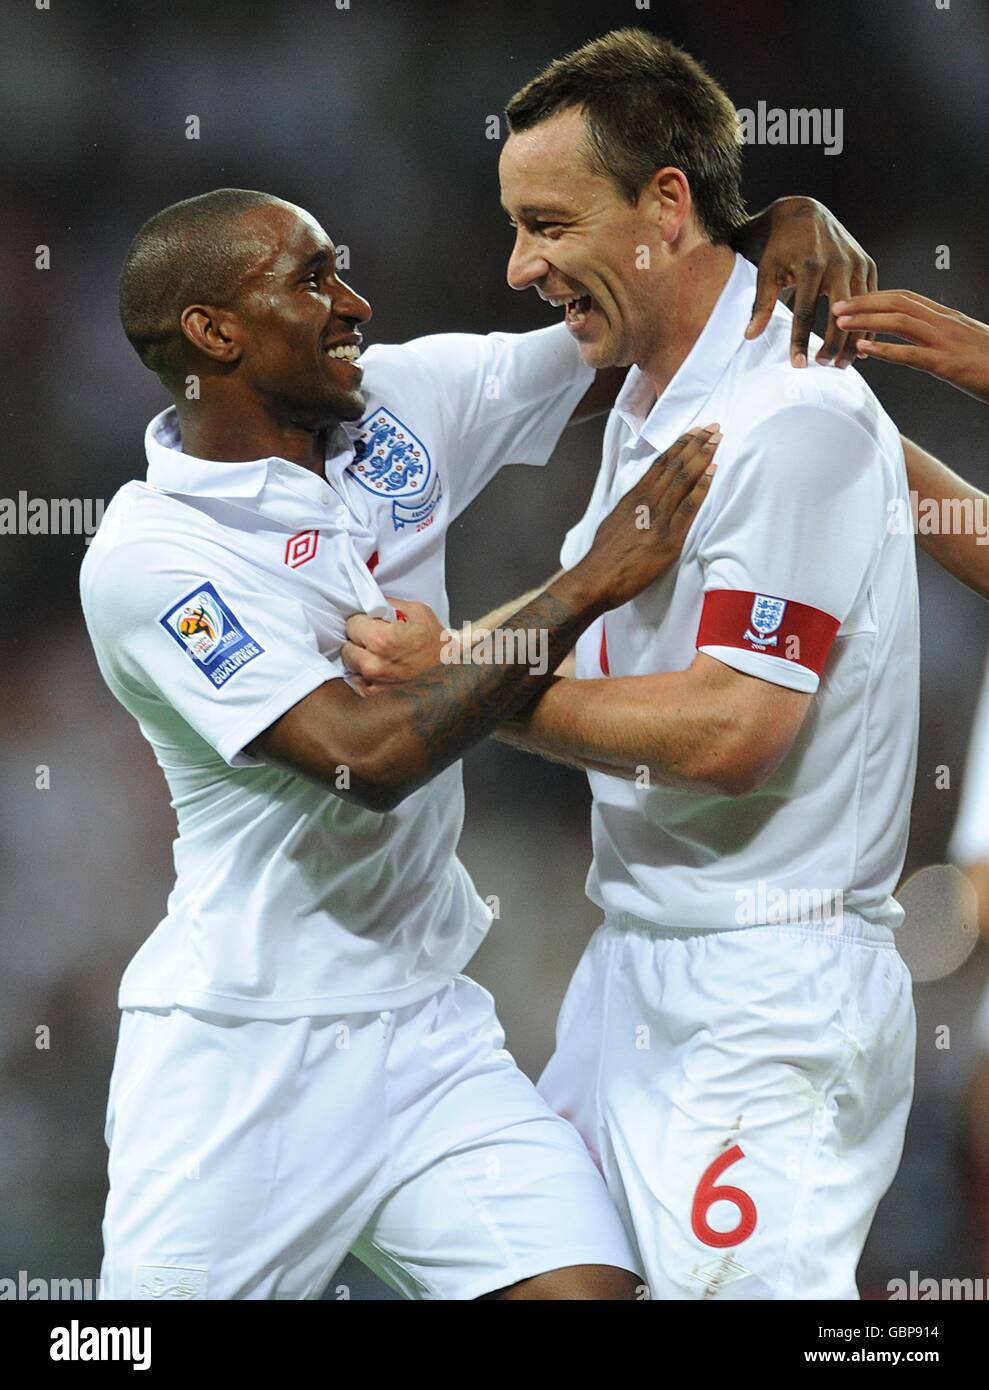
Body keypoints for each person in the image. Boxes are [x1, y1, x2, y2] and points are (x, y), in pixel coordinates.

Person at [83, 165, 871, 1301]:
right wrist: (589, 584)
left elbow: (632, 334)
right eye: (314, 281)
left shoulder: (396, 399)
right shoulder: (151, 558)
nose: (354, 304)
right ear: (215, 332)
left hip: (426, 1030)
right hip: (239, 1055)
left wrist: (754, 233)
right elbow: (368, 756)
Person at [345, 29, 919, 1300]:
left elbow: (732, 728)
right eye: (510, 227)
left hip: (766, 1001)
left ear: (662, 204)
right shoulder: (656, 393)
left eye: (547, 223)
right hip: (636, 975)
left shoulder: (799, 420)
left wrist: (469, 685)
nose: (516, 265)